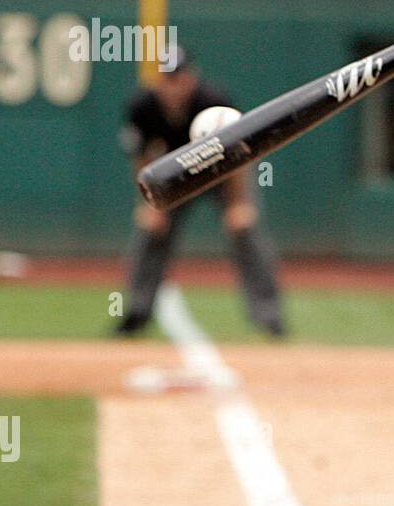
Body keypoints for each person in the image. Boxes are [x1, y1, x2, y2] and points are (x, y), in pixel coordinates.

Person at [116, 45, 285, 337]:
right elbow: (142, 160)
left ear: (191, 76)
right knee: (151, 233)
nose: (174, 85)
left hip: (224, 171)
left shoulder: (213, 101)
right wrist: (149, 203)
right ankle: (136, 313)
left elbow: (240, 156)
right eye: (167, 78)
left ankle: (269, 316)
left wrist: (239, 204)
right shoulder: (143, 106)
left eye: (179, 76)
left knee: (245, 231)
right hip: (176, 173)